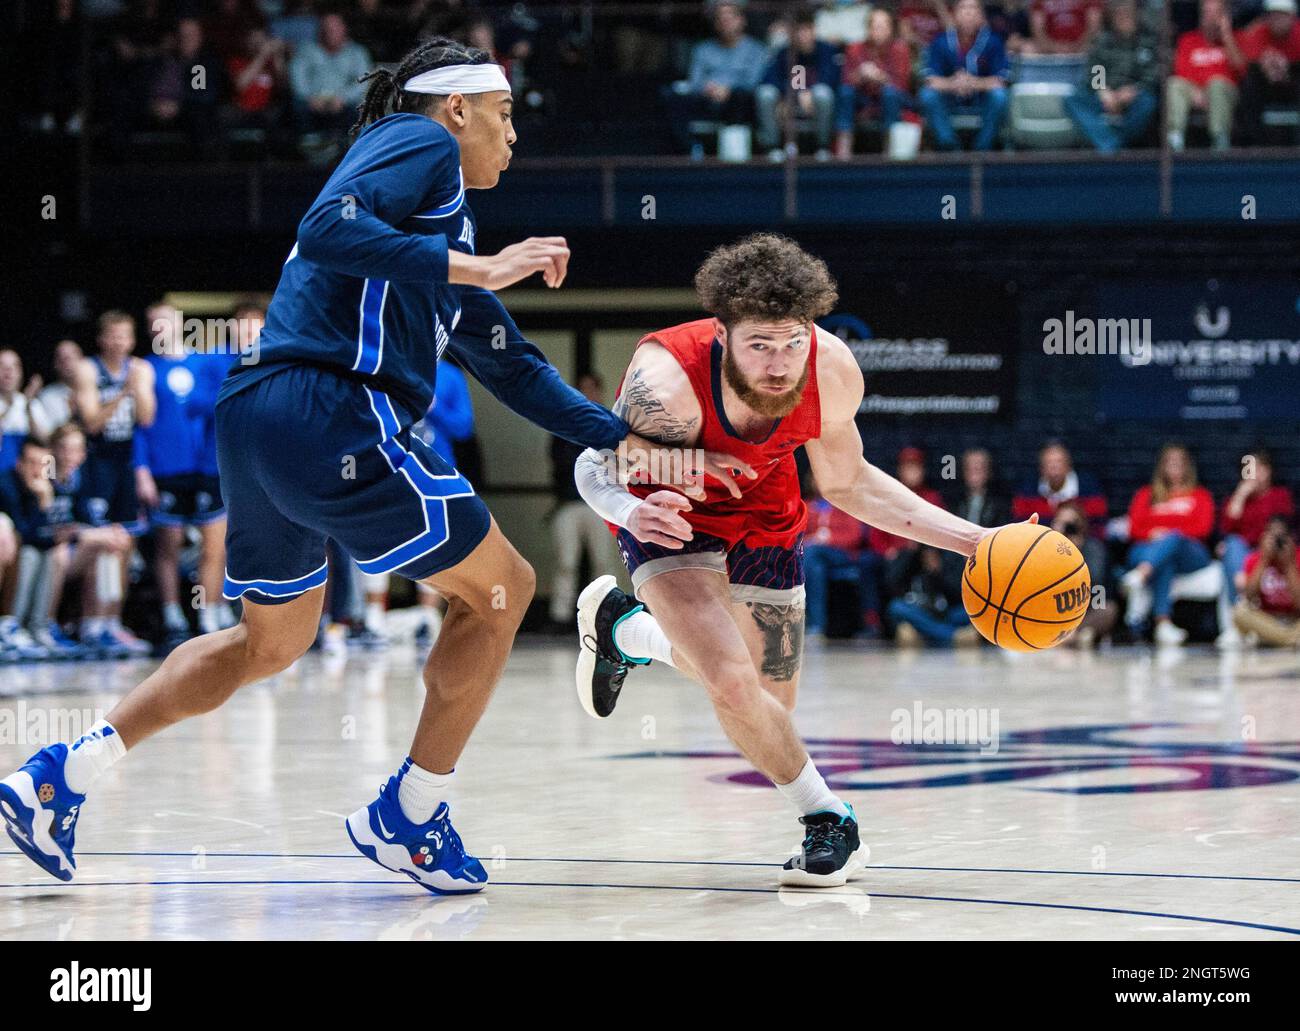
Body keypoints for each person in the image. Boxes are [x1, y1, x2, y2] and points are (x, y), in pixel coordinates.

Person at [0, 37, 733, 892]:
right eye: (503, 116)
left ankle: (62, 774)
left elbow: (513, 366)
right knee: (502, 590)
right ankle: (411, 815)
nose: (513, 137)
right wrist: (480, 264)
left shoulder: (432, 225)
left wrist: (623, 439)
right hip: (331, 409)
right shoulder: (417, 144)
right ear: (455, 108)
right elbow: (324, 226)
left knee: (269, 641)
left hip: (262, 420)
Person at [572, 234, 1028, 887]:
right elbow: (592, 463)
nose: (780, 362)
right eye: (760, 344)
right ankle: (829, 819)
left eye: (793, 340)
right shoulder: (665, 381)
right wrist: (627, 509)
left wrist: (976, 541)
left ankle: (624, 629)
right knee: (731, 682)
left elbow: (850, 483)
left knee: (765, 701)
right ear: (723, 335)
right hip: (667, 510)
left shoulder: (831, 369)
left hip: (764, 507)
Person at [136, 301, 237, 652]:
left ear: (180, 323)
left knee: (215, 544)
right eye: (153, 323)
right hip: (166, 468)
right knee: (169, 546)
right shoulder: (145, 369)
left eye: (165, 320)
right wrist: (142, 469)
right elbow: (141, 425)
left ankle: (208, 614)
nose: (159, 328)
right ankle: (172, 616)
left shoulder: (208, 361)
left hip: (206, 467)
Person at [73, 310, 156, 658]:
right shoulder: (87, 369)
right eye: (113, 335)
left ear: (132, 340)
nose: (120, 342)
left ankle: (112, 621)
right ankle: (91, 622)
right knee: (99, 542)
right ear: (102, 339)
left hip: (125, 463)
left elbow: (147, 418)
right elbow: (92, 422)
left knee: (123, 542)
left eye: (126, 336)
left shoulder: (141, 369)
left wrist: (137, 391)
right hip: (95, 463)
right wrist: (123, 393)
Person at [1121, 443, 1215, 646]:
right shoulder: (1146, 495)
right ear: (1161, 467)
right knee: (1165, 560)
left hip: (1190, 552)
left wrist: (1169, 535)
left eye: (1179, 463)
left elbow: (1203, 529)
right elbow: (1133, 528)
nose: (1175, 467)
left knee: (1172, 539)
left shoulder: (1200, 495)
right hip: (1149, 548)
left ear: (1188, 466)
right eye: (1170, 463)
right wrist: (1152, 534)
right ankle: (1163, 623)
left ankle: (1142, 573)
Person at [548, 373, 622, 628]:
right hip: (570, 502)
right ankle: (560, 618)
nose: (588, 393)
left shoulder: (610, 422)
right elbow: (558, 462)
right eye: (583, 389)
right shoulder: (565, 424)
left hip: (601, 504)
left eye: (592, 389)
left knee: (603, 561)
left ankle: (605, 616)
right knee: (566, 561)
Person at [1063, 0, 1160, 152]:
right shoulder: (1102, 40)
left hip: (1134, 97)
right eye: (1120, 13)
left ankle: (1112, 142)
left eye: (1128, 13)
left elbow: (1153, 75)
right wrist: (1103, 91)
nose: (1124, 17)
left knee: (1149, 101)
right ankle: (1111, 143)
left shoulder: (1148, 40)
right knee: (1072, 100)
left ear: (1137, 14)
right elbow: (1094, 69)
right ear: (1112, 16)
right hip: (1105, 96)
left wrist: (1132, 91)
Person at [918, 0, 1011, 152]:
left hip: (981, 101)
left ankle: (982, 149)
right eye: (963, 8)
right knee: (927, 95)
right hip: (950, 100)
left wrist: (973, 83)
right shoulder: (940, 41)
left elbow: (1000, 81)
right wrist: (954, 83)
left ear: (981, 16)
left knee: (1000, 96)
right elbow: (930, 80)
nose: (968, 13)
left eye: (973, 9)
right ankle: (949, 146)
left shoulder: (994, 41)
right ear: (954, 15)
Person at [1217, 446, 1293, 616]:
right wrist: (1241, 495)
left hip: (1269, 549)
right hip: (1244, 554)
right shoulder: (1236, 499)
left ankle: (1244, 610)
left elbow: (1281, 526)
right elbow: (1227, 528)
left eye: (1260, 468)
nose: (1255, 473)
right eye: (1250, 469)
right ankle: (1239, 611)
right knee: (1232, 544)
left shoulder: (1279, 495)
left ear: (1270, 471)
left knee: (1235, 545)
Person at [755, 10, 841, 160]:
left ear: (814, 30)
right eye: (798, 30)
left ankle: (822, 147)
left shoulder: (826, 50)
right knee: (766, 93)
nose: (802, 35)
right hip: (789, 102)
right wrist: (786, 96)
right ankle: (773, 147)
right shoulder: (785, 52)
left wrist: (808, 92)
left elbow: (831, 79)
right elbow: (770, 79)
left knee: (822, 93)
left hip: (818, 102)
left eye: (806, 30)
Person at [1167, 0, 1246, 151]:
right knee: (1175, 84)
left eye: (1214, 13)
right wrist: (1199, 92)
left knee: (1216, 84)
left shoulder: (1237, 38)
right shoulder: (1188, 40)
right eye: (1206, 13)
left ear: (1224, 17)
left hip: (1225, 92)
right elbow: (1181, 71)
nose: (1209, 18)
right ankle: (1174, 138)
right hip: (1195, 91)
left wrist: (1226, 36)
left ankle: (1219, 140)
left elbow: (1241, 69)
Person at [836, 8, 916, 157]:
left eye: (883, 27)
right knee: (846, 92)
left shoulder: (900, 49)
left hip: (891, 98)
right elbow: (846, 80)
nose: (879, 31)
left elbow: (902, 84)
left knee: (890, 93)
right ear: (868, 29)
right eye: (875, 26)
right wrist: (861, 74)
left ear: (891, 29)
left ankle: (890, 148)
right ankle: (844, 148)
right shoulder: (855, 48)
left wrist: (880, 77)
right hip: (864, 97)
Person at [1235, 0, 1300, 146]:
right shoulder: (1258, 33)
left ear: (1292, 17)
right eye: (1273, 15)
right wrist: (1267, 66)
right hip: (1266, 84)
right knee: (1249, 84)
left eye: (1281, 15)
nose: (1277, 20)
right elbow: (1245, 65)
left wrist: (1286, 70)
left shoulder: (1298, 33)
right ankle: (1253, 144)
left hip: (1293, 83)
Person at [1231, 515, 1300, 646]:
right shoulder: (1255, 559)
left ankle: (1278, 639)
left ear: (1291, 538)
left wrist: (1289, 565)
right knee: (1240, 613)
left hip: (1294, 619)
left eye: (1281, 537)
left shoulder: (1297, 557)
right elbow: (1249, 597)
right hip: (1268, 620)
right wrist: (1263, 560)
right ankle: (1290, 639)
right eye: (1272, 536)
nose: (1276, 543)